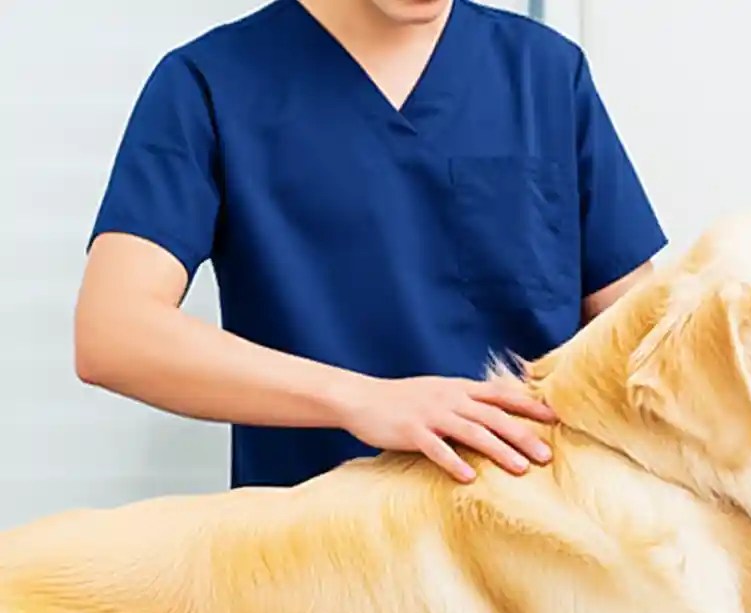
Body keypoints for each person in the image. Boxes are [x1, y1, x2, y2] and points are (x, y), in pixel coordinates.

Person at [73, 0, 667, 489]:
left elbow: (648, 347)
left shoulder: (545, 74)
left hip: (535, 546)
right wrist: (359, 400)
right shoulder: (208, 85)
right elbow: (114, 333)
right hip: (322, 561)